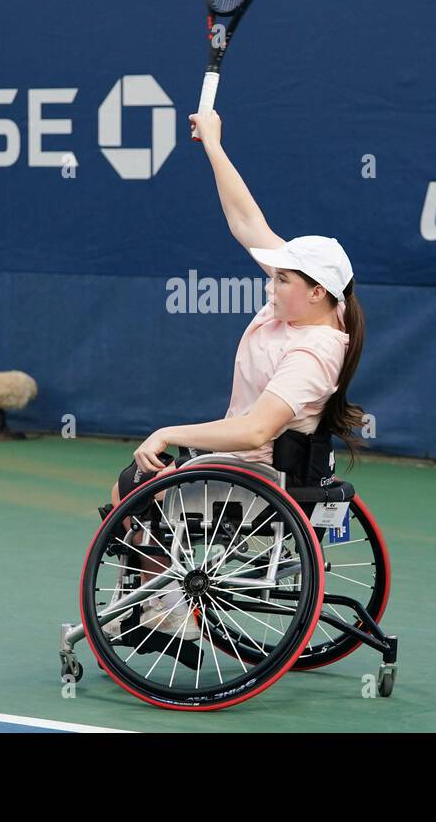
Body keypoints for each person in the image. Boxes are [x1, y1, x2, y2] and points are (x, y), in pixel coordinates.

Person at [108, 109, 367, 636]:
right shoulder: (313, 304)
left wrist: (168, 432)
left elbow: (255, 430)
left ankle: (158, 611)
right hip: (246, 464)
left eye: (282, 279)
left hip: (253, 473)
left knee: (136, 481)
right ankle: (142, 598)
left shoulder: (313, 351)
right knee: (145, 477)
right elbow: (248, 224)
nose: (271, 283)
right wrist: (214, 145)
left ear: (316, 289)